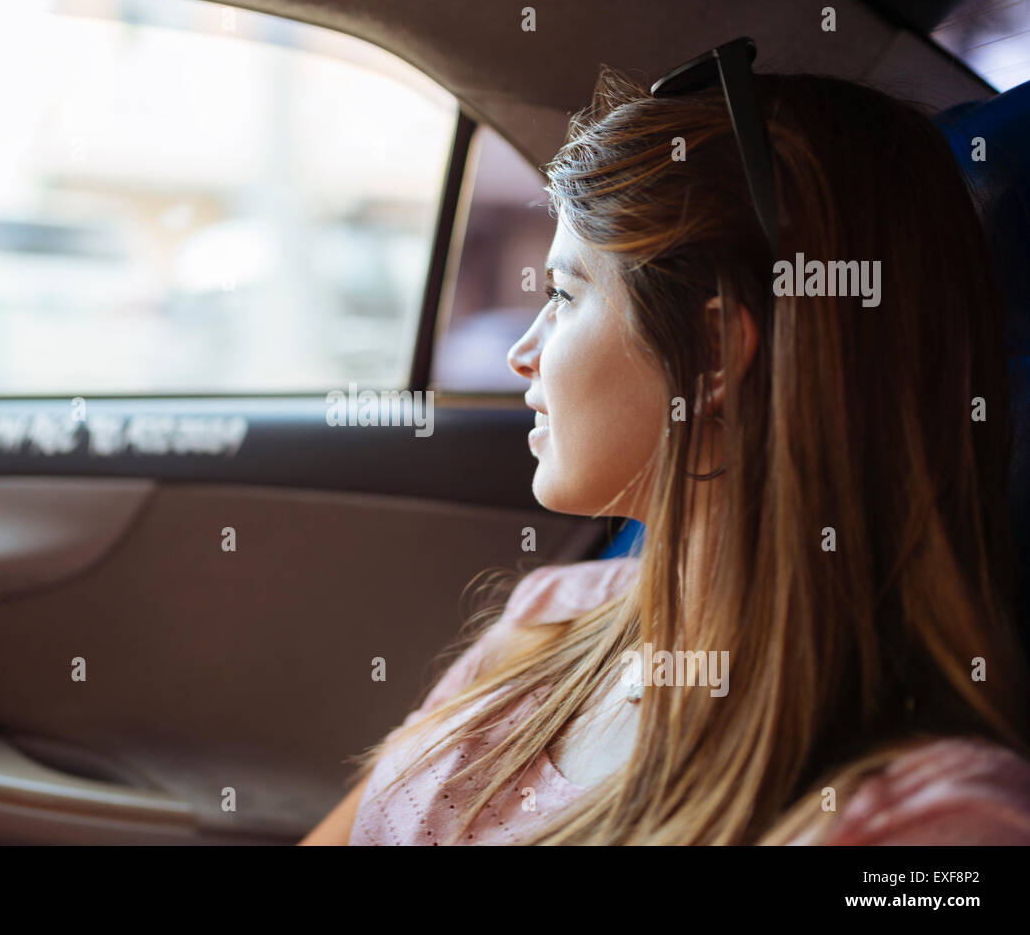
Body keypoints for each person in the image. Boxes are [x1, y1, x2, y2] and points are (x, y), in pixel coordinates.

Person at [301, 55, 1030, 845]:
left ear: (715, 350)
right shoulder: (545, 622)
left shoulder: (929, 824)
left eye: (563, 295)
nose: (522, 350)